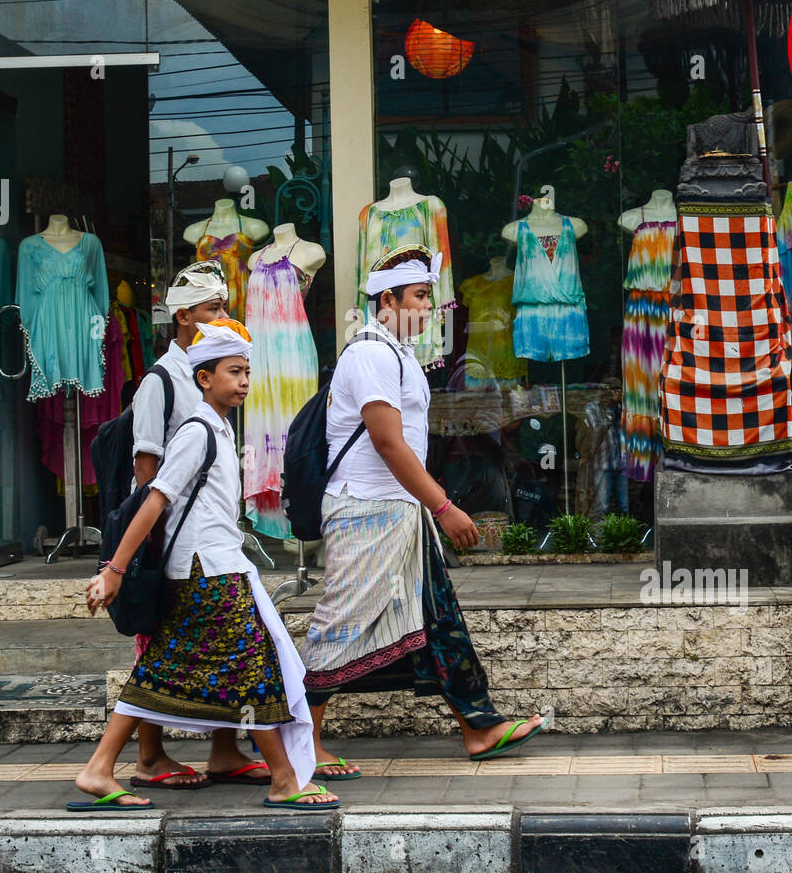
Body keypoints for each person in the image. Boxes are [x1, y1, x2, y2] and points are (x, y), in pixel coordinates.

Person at [302, 244, 546, 778]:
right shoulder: (369, 353)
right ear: (385, 299)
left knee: (439, 618)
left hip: (398, 511)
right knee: (341, 623)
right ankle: (302, 740)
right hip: (365, 510)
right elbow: (389, 444)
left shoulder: (399, 353)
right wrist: (444, 506)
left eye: (430, 297)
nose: (429, 307)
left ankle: (479, 725)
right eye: (418, 296)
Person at [77, 319, 336, 811]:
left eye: (246, 372)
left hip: (211, 567)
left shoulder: (213, 427)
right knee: (255, 668)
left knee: (159, 671)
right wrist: (113, 569)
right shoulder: (199, 431)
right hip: (208, 573)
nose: (243, 382)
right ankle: (284, 780)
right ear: (203, 378)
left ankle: (99, 767)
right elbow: (155, 499)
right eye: (233, 372)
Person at [126, 263, 270, 791]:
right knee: (157, 649)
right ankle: (147, 756)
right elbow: (149, 473)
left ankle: (225, 749)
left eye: (225, 308)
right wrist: (142, 555)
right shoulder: (161, 383)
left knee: (210, 651)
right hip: (171, 543)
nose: (223, 317)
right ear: (184, 316)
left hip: (208, 540)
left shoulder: (218, 369)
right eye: (213, 310)